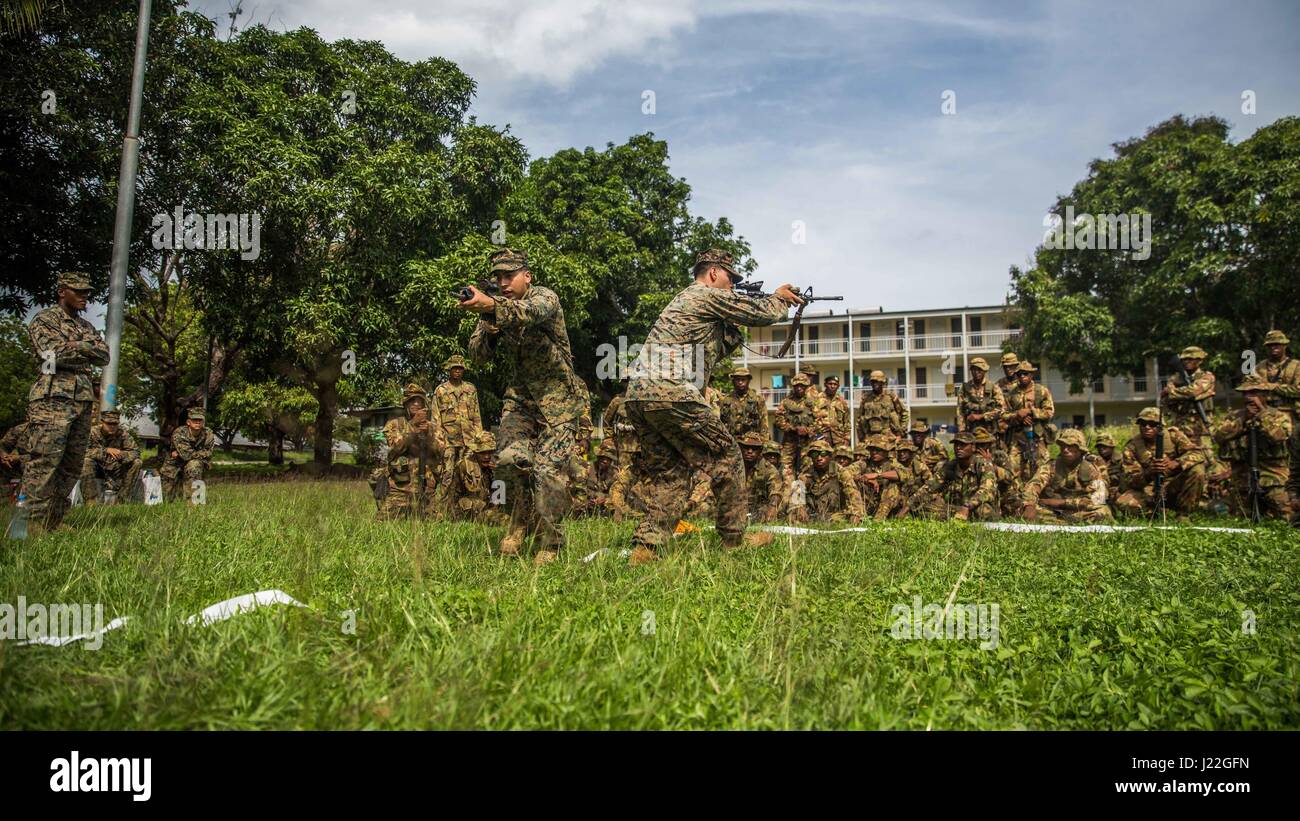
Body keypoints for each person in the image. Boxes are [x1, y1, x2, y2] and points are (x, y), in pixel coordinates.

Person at [622, 248, 802, 563]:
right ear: (714, 273)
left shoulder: (686, 303)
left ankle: (647, 548)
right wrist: (780, 299)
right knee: (727, 455)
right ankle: (734, 540)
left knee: (671, 472)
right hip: (670, 391)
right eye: (730, 280)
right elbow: (760, 314)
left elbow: (715, 347)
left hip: (639, 396)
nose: (732, 287)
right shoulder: (704, 294)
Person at [462, 247, 588, 565]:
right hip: (520, 399)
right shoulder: (494, 309)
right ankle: (520, 521)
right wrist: (489, 328)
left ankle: (552, 542)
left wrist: (491, 305)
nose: (503, 282)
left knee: (547, 473)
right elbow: (476, 355)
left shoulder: (544, 298)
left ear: (526, 276)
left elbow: (526, 313)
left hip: (559, 400)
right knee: (507, 461)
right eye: (498, 278)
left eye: (509, 275)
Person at [20, 272, 110, 533]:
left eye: (86, 292)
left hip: (82, 400)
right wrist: (85, 348)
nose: (84, 297)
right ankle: (29, 522)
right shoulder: (44, 320)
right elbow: (52, 353)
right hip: (52, 399)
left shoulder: (86, 327)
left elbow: (104, 354)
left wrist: (76, 344)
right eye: (78, 291)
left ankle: (53, 520)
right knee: (45, 461)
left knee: (72, 465)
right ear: (62, 291)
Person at [1213, 374, 1293, 522]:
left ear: (1265, 395)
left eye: (1254, 393)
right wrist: (1243, 420)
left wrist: (1262, 415)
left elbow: (1279, 436)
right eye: (1245, 393)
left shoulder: (1279, 416)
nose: (1249, 398)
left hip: (1273, 477)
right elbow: (1218, 436)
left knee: (1286, 516)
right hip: (1243, 479)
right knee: (1240, 518)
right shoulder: (1235, 417)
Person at [1113, 407, 1205, 518]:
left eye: (1152, 424)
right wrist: (1149, 472)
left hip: (1174, 485)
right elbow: (1130, 480)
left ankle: (1183, 514)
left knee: (1198, 470)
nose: (1147, 427)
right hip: (1149, 490)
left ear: (1160, 426)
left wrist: (1177, 463)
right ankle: (1156, 513)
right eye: (1143, 423)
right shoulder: (1132, 446)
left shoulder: (1173, 435)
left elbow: (1198, 454)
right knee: (1124, 503)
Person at [376, 383, 442, 520]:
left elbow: (441, 452)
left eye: (419, 401)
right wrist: (412, 427)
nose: (416, 404)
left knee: (436, 522)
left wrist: (428, 435)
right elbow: (393, 450)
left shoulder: (432, 427)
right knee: (383, 520)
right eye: (412, 400)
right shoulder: (394, 424)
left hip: (426, 487)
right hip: (400, 486)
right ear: (405, 404)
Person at [1020, 428, 1112, 523]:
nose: (1065, 449)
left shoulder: (1091, 469)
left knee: (1103, 512)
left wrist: (1064, 503)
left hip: (1079, 511)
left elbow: (1100, 497)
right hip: (1054, 511)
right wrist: (1029, 505)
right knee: (1030, 510)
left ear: (1081, 448)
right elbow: (1034, 485)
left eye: (1070, 446)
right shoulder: (1051, 466)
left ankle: (1063, 522)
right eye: (1063, 445)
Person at [902, 431, 997, 521]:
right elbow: (929, 487)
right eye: (956, 445)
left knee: (984, 510)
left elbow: (987, 490)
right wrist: (908, 506)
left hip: (975, 508)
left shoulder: (983, 464)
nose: (958, 448)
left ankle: (964, 518)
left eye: (963, 445)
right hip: (956, 509)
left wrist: (967, 506)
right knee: (919, 507)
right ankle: (958, 518)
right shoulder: (950, 466)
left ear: (973, 447)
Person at [433, 354, 483, 516]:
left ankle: (467, 509)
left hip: (468, 440)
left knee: (469, 474)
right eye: (454, 368)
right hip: (448, 440)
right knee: (447, 474)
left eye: (460, 368)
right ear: (449, 370)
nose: (457, 371)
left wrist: (479, 438)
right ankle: (443, 510)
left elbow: (476, 415)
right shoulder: (441, 390)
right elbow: (436, 418)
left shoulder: (470, 389)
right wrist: (438, 438)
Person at [1257, 330, 1300, 502]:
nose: (1274, 348)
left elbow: (1298, 391)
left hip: (1291, 416)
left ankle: (1292, 492)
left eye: (1277, 344)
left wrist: (1272, 387)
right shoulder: (1259, 367)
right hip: (1266, 414)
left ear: (1284, 346)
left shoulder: (1296, 366)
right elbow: (1253, 389)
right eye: (1270, 345)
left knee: (1293, 455)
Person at [789, 439, 864, 523]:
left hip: (836, 515)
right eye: (815, 455)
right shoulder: (805, 474)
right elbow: (795, 497)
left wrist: (856, 514)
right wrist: (800, 508)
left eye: (823, 454)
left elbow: (853, 494)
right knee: (794, 516)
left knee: (851, 519)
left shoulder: (841, 472)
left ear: (830, 456)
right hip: (813, 515)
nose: (819, 458)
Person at [1162, 345, 1216, 460]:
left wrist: (1175, 392)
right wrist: (1182, 394)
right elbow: (1167, 397)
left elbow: (1194, 391)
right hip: (1181, 426)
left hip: (1202, 427)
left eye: (1190, 359)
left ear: (1199, 360)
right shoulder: (1176, 378)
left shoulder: (1207, 376)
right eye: (1184, 359)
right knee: (1182, 460)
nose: (1186, 362)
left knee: (1207, 459)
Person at [1003, 360, 1055, 481]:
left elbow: (1049, 412)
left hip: (1038, 436)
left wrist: (1032, 412)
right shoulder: (1011, 394)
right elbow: (1003, 414)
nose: (1022, 376)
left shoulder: (1041, 391)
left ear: (1031, 375)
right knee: (1013, 469)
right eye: (1019, 374)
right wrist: (1018, 415)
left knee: (1042, 469)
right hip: (1017, 438)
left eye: (1025, 374)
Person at [81, 409, 142, 504]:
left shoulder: (123, 434)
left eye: (115, 424)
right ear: (102, 422)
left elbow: (136, 452)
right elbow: (82, 451)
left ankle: (122, 500)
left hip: (115, 467)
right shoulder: (92, 432)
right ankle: (91, 502)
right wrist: (106, 450)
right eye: (109, 424)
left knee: (137, 462)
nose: (112, 426)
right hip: (97, 468)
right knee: (86, 461)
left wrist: (121, 454)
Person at [453, 430, 508, 524]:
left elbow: (500, 494)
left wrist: (498, 473)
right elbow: (457, 495)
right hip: (469, 509)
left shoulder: (495, 465)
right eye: (482, 453)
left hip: (488, 506)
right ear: (475, 452)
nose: (487, 456)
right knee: (504, 520)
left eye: (490, 452)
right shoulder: (465, 466)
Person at [162, 407, 215, 503]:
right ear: (188, 422)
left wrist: (185, 453)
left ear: (203, 422)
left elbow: (209, 453)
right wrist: (200, 453)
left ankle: (195, 502)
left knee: (194, 465)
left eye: (200, 420)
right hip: (174, 464)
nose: (197, 422)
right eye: (194, 420)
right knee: (166, 499)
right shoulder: (179, 432)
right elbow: (187, 455)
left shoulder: (208, 434)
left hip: (194, 464)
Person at [775, 373, 821, 482]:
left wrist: (808, 431)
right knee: (785, 467)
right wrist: (792, 428)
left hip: (807, 442)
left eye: (802, 386)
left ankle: (804, 492)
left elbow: (819, 422)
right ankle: (788, 491)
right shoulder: (786, 402)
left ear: (806, 387)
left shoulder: (812, 402)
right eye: (797, 386)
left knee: (808, 467)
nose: (799, 388)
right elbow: (778, 420)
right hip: (790, 441)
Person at [856, 434, 906, 520]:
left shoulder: (892, 463)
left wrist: (878, 475)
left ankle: (878, 520)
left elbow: (905, 474)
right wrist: (868, 480)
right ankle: (859, 515)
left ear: (886, 451)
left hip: (891, 507)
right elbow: (846, 472)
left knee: (893, 486)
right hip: (871, 503)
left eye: (878, 450)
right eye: (872, 449)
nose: (874, 452)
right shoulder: (864, 463)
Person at [973, 428, 1018, 519]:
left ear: (989, 445)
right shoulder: (969, 458)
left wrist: (991, 465)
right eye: (977, 445)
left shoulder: (999, 456)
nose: (980, 448)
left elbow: (1010, 477)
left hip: (1001, 494)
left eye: (983, 445)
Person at [738, 432, 782, 523]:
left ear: (760, 451)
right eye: (746, 447)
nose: (750, 451)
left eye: (754, 448)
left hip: (758, 510)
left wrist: (772, 508)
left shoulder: (768, 469)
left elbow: (776, 492)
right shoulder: (733, 466)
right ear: (741, 448)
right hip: (735, 507)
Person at [956, 356, 1006, 436]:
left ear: (984, 370)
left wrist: (982, 416)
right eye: (973, 369)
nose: (976, 372)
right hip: (971, 431)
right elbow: (960, 411)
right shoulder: (965, 388)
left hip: (990, 432)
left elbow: (1002, 410)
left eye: (979, 369)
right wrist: (962, 431)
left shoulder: (993, 387)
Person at [718, 366, 770, 441]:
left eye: (743, 380)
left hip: (751, 445)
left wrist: (764, 442)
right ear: (733, 381)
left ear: (748, 381)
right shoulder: (725, 400)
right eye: (737, 379)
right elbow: (720, 423)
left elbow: (764, 424)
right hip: (731, 443)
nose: (740, 382)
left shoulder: (758, 399)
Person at [855, 370, 907, 440]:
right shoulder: (866, 398)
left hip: (889, 438)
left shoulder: (891, 397)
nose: (874, 384)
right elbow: (859, 419)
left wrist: (900, 433)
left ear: (882, 382)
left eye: (877, 381)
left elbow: (904, 413)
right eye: (872, 382)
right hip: (870, 438)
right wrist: (861, 437)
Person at [821, 375, 851, 447]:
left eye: (835, 384)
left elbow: (847, 422)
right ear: (825, 384)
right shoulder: (817, 399)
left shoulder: (842, 401)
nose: (832, 386)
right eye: (830, 384)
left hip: (839, 439)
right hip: (822, 439)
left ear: (838, 386)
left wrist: (847, 439)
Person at [0, 421, 29, 489]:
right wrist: (4, 456)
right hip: (23, 479)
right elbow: (3, 445)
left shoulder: (56, 430)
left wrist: (19, 458)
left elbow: (49, 459)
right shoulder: (22, 428)